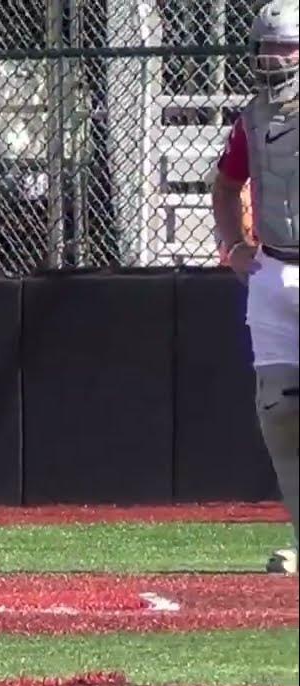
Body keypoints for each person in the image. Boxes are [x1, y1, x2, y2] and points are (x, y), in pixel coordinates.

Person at [211, 0, 298, 577]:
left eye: (285, 45)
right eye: (266, 46)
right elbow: (225, 184)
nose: (274, 57)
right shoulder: (251, 116)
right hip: (271, 270)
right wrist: (231, 246)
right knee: (280, 414)